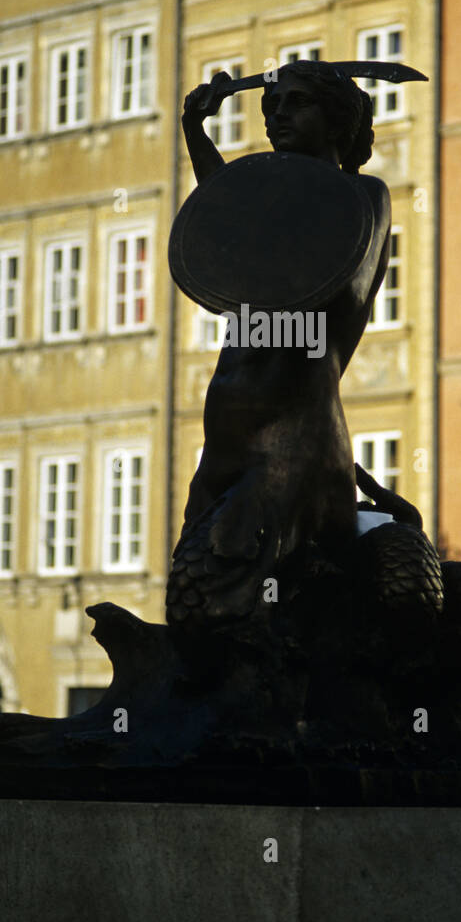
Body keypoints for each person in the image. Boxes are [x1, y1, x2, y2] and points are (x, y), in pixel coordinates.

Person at [167, 62, 391, 625]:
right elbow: (226, 218)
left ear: (337, 119)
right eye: (271, 107)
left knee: (275, 616)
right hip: (227, 425)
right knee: (199, 601)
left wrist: (252, 209)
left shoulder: (363, 197)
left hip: (295, 431)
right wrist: (197, 132)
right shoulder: (271, 206)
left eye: (296, 104)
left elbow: (329, 276)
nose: (277, 116)